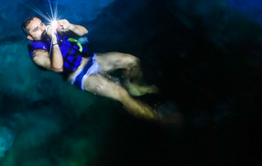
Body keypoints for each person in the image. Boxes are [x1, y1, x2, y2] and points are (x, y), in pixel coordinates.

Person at [21, 15, 168, 123]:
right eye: (36, 29)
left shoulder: (53, 31)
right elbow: (57, 67)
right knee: (120, 93)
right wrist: (54, 39)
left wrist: (70, 26)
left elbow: (84, 32)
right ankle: (161, 119)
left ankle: (133, 86)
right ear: (30, 37)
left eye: (41, 24)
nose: (42, 28)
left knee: (132, 61)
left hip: (91, 59)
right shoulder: (37, 54)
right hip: (79, 75)